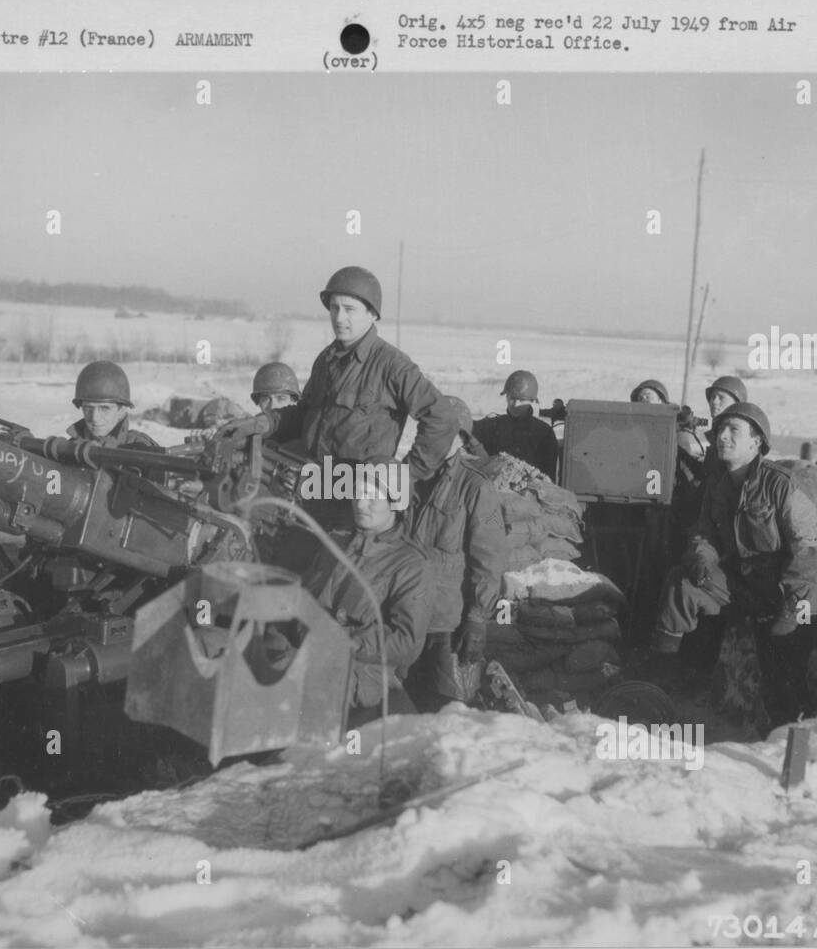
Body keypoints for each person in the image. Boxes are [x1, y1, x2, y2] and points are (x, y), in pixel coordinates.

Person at [217, 266, 454, 494]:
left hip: (354, 498)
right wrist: (262, 424)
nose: (339, 318)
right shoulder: (327, 360)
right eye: (334, 308)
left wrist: (404, 477)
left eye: (349, 309)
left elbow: (442, 419)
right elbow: (304, 414)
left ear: (372, 314)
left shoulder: (392, 365)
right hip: (309, 485)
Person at [652, 403, 817, 678]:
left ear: (756, 442)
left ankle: (796, 717)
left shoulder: (781, 485)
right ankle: (663, 678)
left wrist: (792, 608)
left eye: (734, 430)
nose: (722, 436)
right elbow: (704, 533)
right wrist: (702, 559)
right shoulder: (717, 485)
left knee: (785, 656)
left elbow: (808, 551)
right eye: (721, 428)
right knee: (681, 584)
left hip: (788, 593)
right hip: (742, 586)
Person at [299, 462, 431, 726]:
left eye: (372, 496)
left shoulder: (411, 564)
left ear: (396, 503)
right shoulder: (336, 541)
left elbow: (406, 641)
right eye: (357, 493)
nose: (360, 503)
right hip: (307, 652)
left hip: (362, 671)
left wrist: (348, 642)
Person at [404, 397, 507, 711]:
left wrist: (478, 619)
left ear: (461, 438)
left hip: (445, 623)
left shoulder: (476, 489)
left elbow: (489, 560)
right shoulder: (408, 477)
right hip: (404, 615)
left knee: (447, 710)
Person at [471, 369, 561, 479]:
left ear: (532, 401)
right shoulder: (491, 426)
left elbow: (548, 476)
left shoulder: (544, 433)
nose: (516, 404)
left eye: (522, 400)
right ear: (506, 397)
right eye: (512, 398)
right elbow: (466, 431)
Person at [67, 360, 161, 451]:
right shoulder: (70, 448)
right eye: (88, 408)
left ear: (122, 410)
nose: (94, 418)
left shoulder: (142, 447)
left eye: (104, 408)